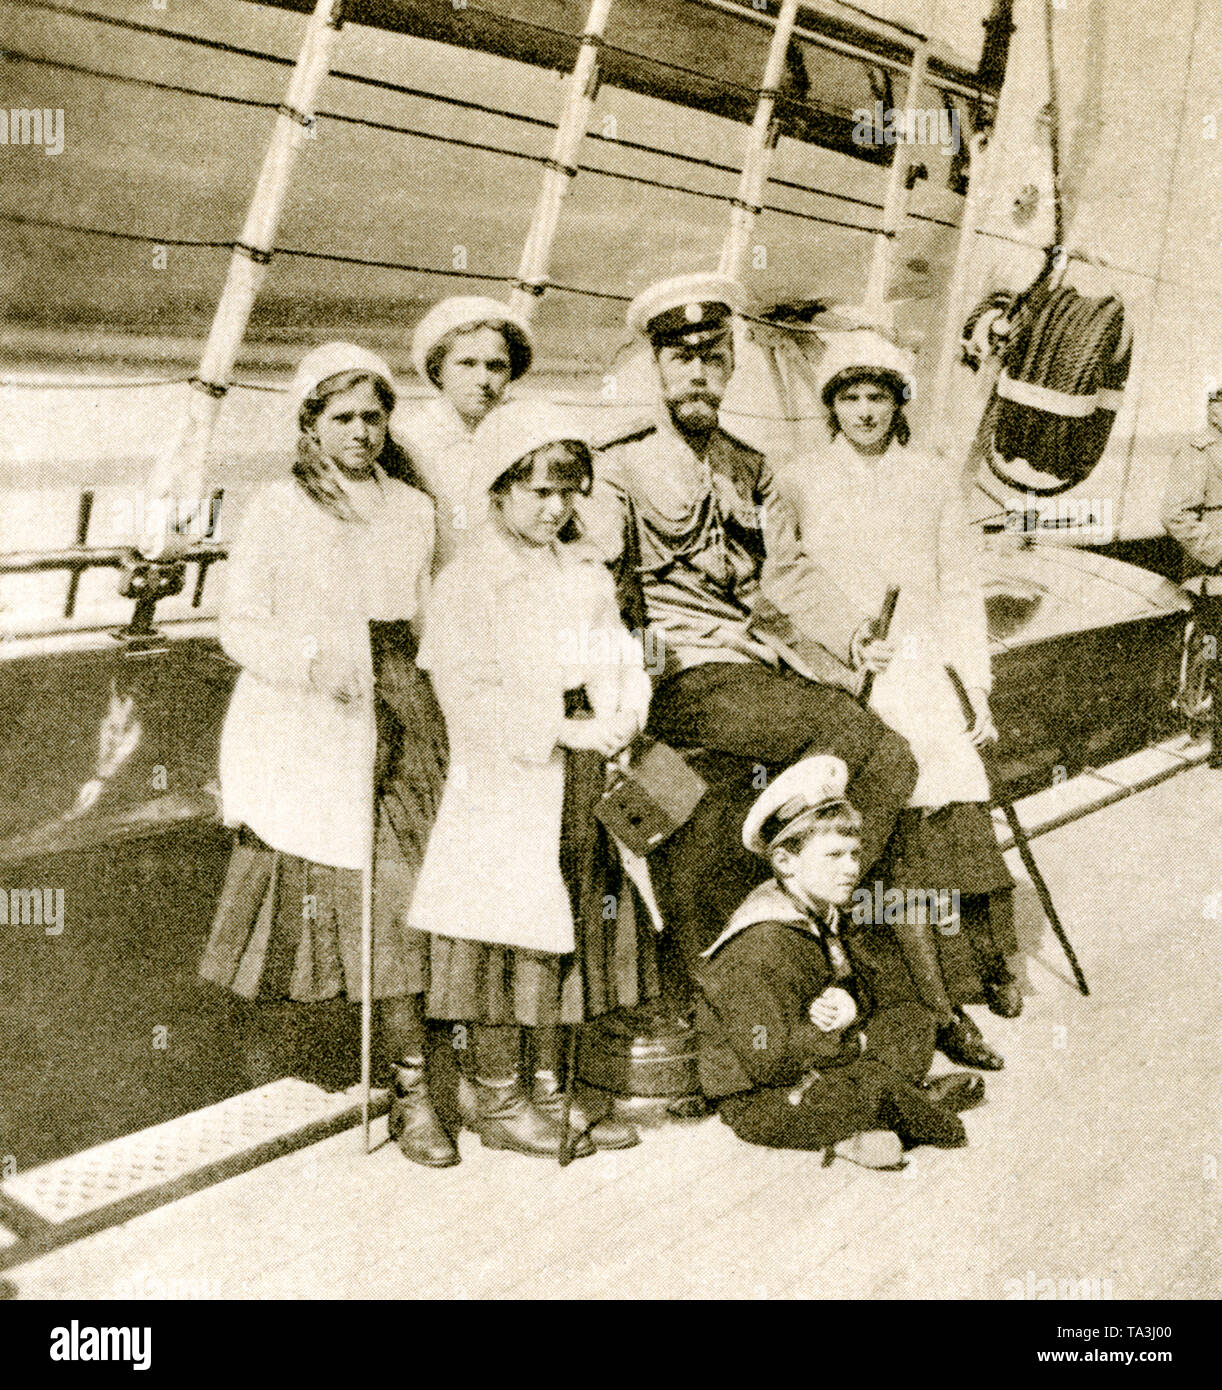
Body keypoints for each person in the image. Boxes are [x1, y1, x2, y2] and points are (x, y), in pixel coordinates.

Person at [580, 273, 918, 971]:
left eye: (714, 358)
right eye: (683, 359)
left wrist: (854, 634)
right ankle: (787, 912)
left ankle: (805, 908)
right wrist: (614, 700)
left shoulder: (750, 467)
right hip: (680, 675)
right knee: (846, 728)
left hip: (752, 674)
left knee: (893, 758)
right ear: (656, 367)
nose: (699, 374)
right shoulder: (617, 466)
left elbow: (787, 574)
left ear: (731, 366)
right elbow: (599, 585)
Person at [200, 342, 459, 1167]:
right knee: (366, 895)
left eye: (373, 417)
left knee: (424, 890)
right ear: (310, 425)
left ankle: (435, 1072)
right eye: (342, 418)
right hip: (315, 715)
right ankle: (405, 1089)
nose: (360, 432)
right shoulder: (280, 507)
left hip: (407, 706)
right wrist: (313, 662)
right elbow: (239, 625)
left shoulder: (413, 508)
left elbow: (432, 619)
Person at [756, 328, 1022, 1072]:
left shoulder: (931, 478)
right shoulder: (799, 480)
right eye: (850, 398)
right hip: (854, 683)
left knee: (963, 822)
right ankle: (937, 1009)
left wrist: (975, 684)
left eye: (878, 396)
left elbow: (960, 583)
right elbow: (781, 591)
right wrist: (836, 654)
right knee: (896, 846)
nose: (865, 411)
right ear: (831, 406)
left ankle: (992, 962)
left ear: (898, 403)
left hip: (929, 673)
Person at [407, 400, 655, 1158]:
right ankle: (497, 1096)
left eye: (568, 492)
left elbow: (617, 654)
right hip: (505, 780)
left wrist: (623, 711)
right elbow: (466, 694)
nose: (555, 508)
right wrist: (558, 729)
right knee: (503, 935)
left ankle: (552, 1087)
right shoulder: (469, 583)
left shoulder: (579, 574)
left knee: (565, 929)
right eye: (539, 491)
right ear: (500, 489)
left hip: (577, 779)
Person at [695, 756, 983, 1167]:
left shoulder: (820, 909)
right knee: (873, 1081)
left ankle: (877, 1118)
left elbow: (865, 985)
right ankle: (895, 1112)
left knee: (913, 1019)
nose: (851, 868)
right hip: (770, 1094)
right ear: (785, 862)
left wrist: (851, 1004)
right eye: (834, 855)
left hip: (822, 1056)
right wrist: (851, 1040)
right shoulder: (757, 946)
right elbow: (768, 1060)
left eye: (853, 854)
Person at [393, 295, 533, 570]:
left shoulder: (524, 439)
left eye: (496, 366)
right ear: (438, 370)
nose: (483, 380)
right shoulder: (408, 442)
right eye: (467, 364)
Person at [1161, 384, 1222, 766]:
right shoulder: (1198, 452)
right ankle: (1209, 738)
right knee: (1213, 657)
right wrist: (1217, 551)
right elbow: (1175, 514)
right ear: (1214, 408)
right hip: (1215, 582)